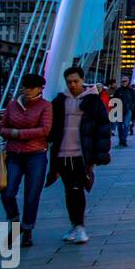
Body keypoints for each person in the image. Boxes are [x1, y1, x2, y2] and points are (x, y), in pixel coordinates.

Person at [47, 66, 113, 244]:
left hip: (81, 154)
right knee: (69, 191)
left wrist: (99, 156)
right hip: (62, 154)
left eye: (76, 81)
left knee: (77, 188)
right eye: (69, 82)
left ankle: (80, 226)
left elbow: (103, 129)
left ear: (83, 80)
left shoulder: (93, 101)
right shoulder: (59, 101)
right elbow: (51, 126)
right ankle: (75, 225)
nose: (72, 85)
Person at [0, 73, 52, 248]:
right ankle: (15, 223)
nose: (27, 90)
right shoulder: (12, 105)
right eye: (25, 87)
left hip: (36, 155)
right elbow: (2, 128)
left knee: (32, 195)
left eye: (31, 87)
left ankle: (27, 230)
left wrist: (17, 133)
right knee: (7, 193)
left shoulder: (45, 106)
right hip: (14, 154)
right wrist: (15, 133)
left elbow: (44, 130)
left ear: (40, 88)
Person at [113, 76, 135, 147]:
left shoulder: (131, 90)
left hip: (128, 110)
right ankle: (121, 140)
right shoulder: (118, 90)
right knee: (120, 126)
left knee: (126, 125)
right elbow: (114, 99)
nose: (124, 82)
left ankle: (124, 140)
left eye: (125, 81)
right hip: (119, 109)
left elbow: (134, 100)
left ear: (128, 82)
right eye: (122, 81)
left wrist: (131, 107)